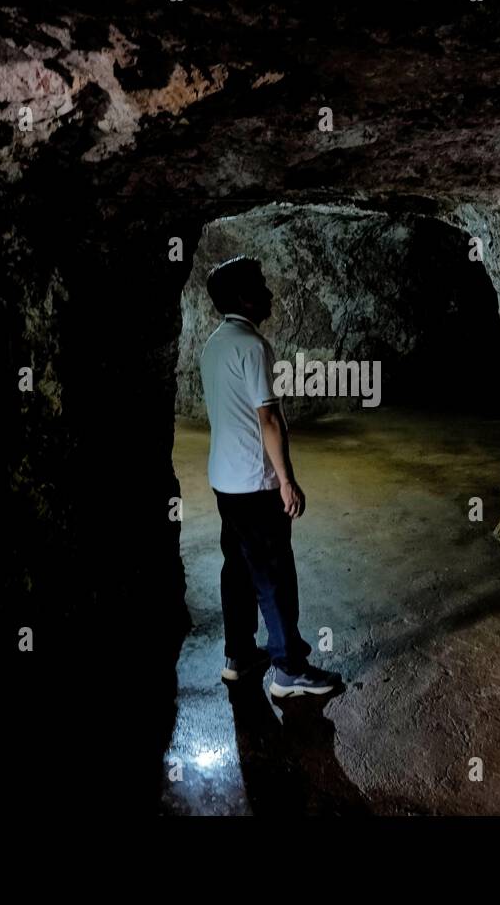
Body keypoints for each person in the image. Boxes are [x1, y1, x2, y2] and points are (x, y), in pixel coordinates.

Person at [199, 255, 341, 697]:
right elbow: (269, 419)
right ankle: (288, 668)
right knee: (274, 574)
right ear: (245, 297)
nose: (269, 293)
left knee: (238, 570)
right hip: (255, 482)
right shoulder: (254, 346)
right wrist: (286, 480)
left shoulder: (214, 344)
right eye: (261, 285)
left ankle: (238, 656)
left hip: (224, 481)